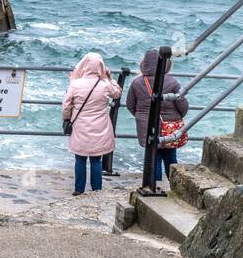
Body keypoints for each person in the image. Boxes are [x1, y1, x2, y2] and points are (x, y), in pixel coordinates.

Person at [125, 48, 190, 185]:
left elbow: (130, 105)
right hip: (170, 126)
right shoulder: (172, 81)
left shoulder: (137, 82)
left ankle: (155, 185)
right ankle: (175, 185)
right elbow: (183, 105)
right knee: (171, 157)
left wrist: (142, 118)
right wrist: (177, 117)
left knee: (154, 156)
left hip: (147, 126)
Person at [61, 52, 122, 194]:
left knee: (80, 158)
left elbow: (66, 105)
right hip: (100, 126)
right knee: (96, 159)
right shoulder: (105, 85)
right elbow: (117, 93)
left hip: (80, 126)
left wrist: (66, 118)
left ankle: (79, 189)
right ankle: (96, 190)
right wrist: (109, 78)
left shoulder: (75, 84)